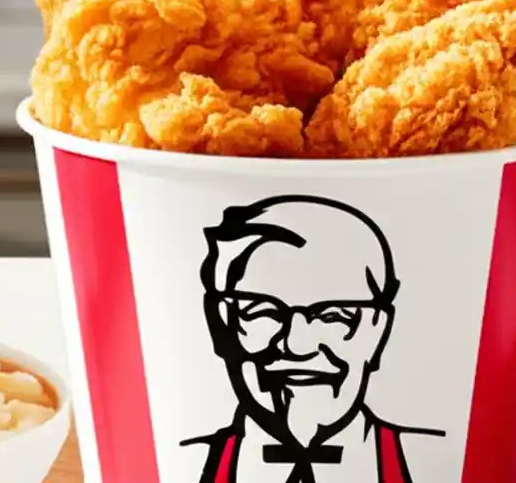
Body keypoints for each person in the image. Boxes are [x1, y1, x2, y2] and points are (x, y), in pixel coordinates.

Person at [184, 195, 442, 483]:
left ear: (377, 331)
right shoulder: (178, 462)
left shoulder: (434, 458)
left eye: (333, 316)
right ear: (220, 325)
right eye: (263, 312)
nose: (297, 345)